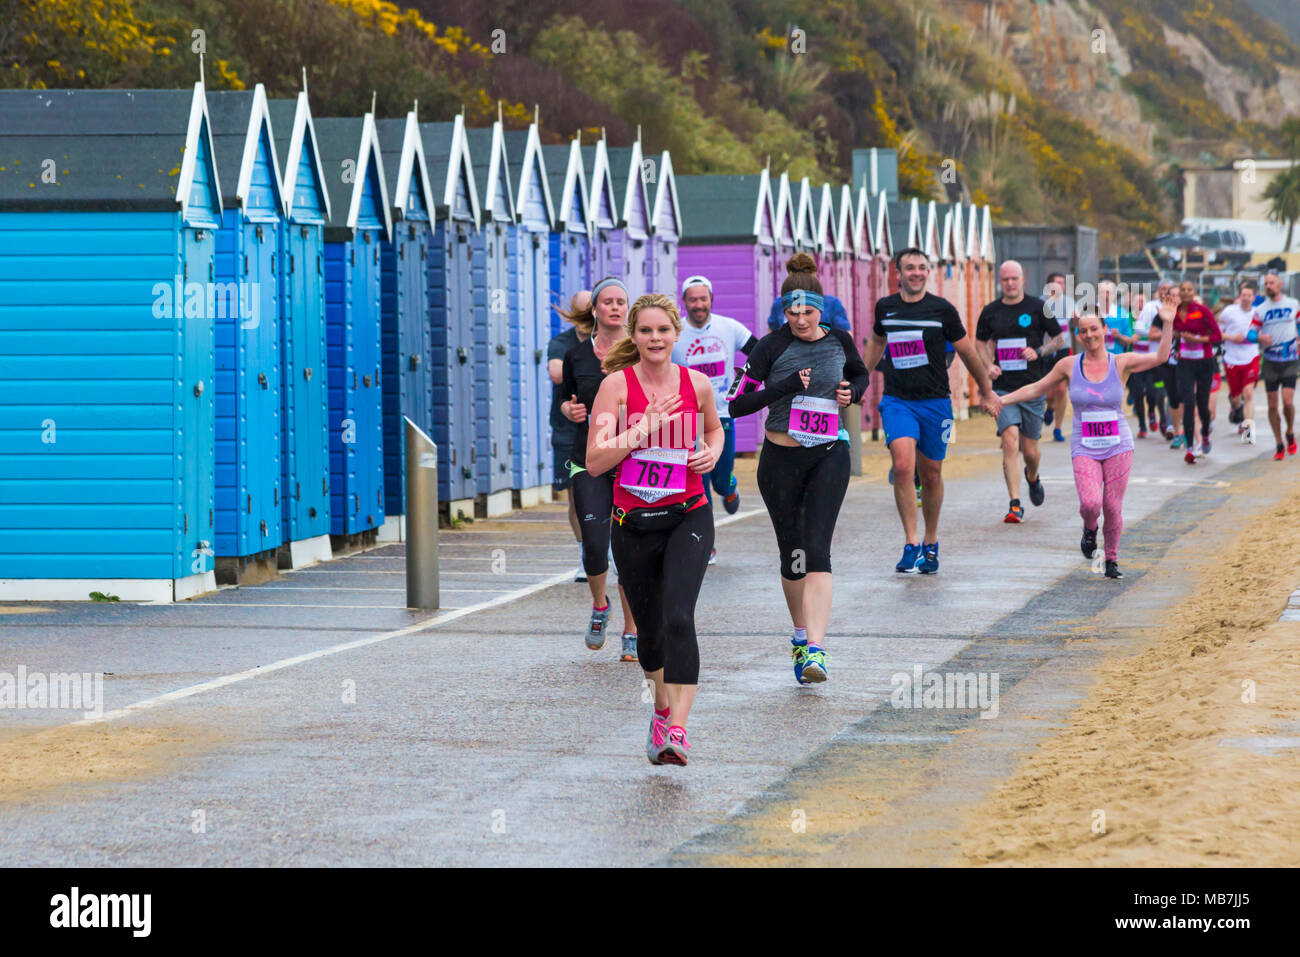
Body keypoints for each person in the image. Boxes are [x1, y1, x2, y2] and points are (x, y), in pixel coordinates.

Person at [586, 293, 723, 767]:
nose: (654, 338)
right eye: (645, 331)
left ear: (675, 333)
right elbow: (595, 459)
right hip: (633, 522)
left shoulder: (697, 383)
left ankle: (679, 730)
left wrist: (713, 451)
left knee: (680, 617)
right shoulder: (616, 388)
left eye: (662, 330)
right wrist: (642, 429)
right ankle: (661, 710)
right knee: (649, 635)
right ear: (634, 336)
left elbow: (714, 428)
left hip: (688, 513)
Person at [728, 253, 868, 685]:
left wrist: (851, 392)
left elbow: (861, 375)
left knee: (818, 548)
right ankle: (800, 633)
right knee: (793, 555)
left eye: (808, 311)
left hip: (829, 452)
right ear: (782, 310)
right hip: (780, 459)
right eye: (793, 311)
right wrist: (785, 387)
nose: (801, 319)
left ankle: (817, 651)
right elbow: (736, 404)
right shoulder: (771, 347)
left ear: (820, 310)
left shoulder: (840, 340)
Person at [998, 310, 1174, 579]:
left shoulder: (1122, 362)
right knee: (1091, 503)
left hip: (1118, 445)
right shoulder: (1068, 365)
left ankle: (1112, 559)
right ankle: (1090, 529)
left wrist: (1169, 322)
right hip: (1085, 446)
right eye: (1084, 331)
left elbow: (1161, 357)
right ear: (1078, 336)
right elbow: (1036, 388)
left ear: (1105, 330)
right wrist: (1002, 400)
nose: (1089, 335)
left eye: (1094, 329)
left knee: (1112, 506)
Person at [863, 247, 1002, 574]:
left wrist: (986, 390)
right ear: (898, 273)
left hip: (936, 403)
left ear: (929, 272)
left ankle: (931, 540)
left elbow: (968, 353)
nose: (916, 273)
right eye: (909, 268)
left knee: (932, 474)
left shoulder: (943, 310)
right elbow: (875, 345)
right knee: (901, 466)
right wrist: (858, 382)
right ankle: (911, 542)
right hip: (897, 401)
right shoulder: (887, 308)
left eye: (922, 268)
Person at [560, 278, 640, 661]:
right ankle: (599, 606)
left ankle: (632, 630)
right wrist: (569, 410)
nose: (614, 307)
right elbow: (568, 402)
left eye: (620, 301)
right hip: (588, 458)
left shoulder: (641, 350)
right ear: (594, 309)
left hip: (633, 462)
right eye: (606, 301)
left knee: (630, 550)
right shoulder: (577, 357)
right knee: (595, 544)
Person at [673, 274, 758, 563]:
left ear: (711, 299)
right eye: (693, 299)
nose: (699, 305)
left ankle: (731, 487)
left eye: (703, 299)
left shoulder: (729, 327)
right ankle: (706, 543)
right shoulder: (674, 333)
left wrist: (744, 381)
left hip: (722, 415)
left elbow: (759, 353)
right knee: (700, 483)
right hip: (689, 420)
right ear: (684, 302)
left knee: (720, 483)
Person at [976, 260, 1065, 523]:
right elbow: (980, 343)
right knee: (1009, 441)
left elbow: (1059, 339)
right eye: (1005, 280)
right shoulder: (991, 311)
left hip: (1032, 388)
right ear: (999, 282)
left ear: (1023, 279)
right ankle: (1015, 504)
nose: (1010, 284)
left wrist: (1037, 352)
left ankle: (1033, 476)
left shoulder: (1038, 307)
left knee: (1030, 452)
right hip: (1003, 390)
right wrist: (988, 365)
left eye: (1014, 279)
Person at [548, 291, 591, 580]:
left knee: (610, 494)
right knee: (576, 498)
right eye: (582, 313)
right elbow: (556, 374)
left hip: (603, 429)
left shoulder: (609, 342)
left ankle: (609, 549)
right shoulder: (561, 343)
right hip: (567, 432)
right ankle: (585, 555)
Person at [1250, 271, 1300, 460]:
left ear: (1280, 284)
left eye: (1272, 282)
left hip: (1289, 359)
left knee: (1287, 401)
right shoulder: (1261, 309)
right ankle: (1279, 442)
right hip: (1270, 361)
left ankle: (1289, 432)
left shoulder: (1292, 304)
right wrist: (1260, 337)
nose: (1268, 286)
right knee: (1272, 405)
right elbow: (1250, 334)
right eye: (1266, 283)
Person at [1172, 280, 1223, 463]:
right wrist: (1177, 335)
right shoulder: (1175, 312)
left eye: (1189, 290)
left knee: (1202, 404)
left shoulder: (1202, 311)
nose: (1185, 293)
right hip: (1185, 363)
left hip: (1204, 362)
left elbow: (1217, 336)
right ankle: (1191, 448)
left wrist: (1197, 338)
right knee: (1188, 402)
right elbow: (1169, 332)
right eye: (1182, 290)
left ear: (1194, 292)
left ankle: (1206, 434)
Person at [1130, 280, 1174, 439]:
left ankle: (1163, 420)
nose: (1165, 292)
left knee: (1158, 392)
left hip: (1166, 359)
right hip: (1147, 358)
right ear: (1158, 290)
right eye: (1163, 289)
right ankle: (1143, 424)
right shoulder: (1150, 307)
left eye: (1168, 289)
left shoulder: (1176, 306)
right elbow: (1139, 329)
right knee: (1139, 393)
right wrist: (1155, 333)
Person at [1217, 281, 1259, 444]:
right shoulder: (1229, 312)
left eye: (1249, 295)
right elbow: (1217, 331)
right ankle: (1236, 407)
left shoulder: (1257, 313)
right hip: (1232, 359)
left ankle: (1248, 433)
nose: (1246, 298)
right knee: (1236, 397)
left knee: (1248, 393)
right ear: (1239, 297)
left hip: (1251, 356)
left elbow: (1262, 331)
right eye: (1243, 295)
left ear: (1253, 297)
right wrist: (1231, 337)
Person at [766, 257, 851, 332]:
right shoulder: (779, 303)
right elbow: (772, 331)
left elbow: (845, 336)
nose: (801, 321)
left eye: (809, 312)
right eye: (792, 313)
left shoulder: (832, 304)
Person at [1042, 272, 1077, 442]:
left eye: (1062, 283)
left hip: (1064, 349)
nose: (1060, 286)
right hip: (1046, 349)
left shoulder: (1070, 303)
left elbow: (1076, 323)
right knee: (1048, 392)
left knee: (1062, 389)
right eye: (1056, 283)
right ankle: (1049, 407)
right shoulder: (1040, 303)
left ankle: (1057, 428)